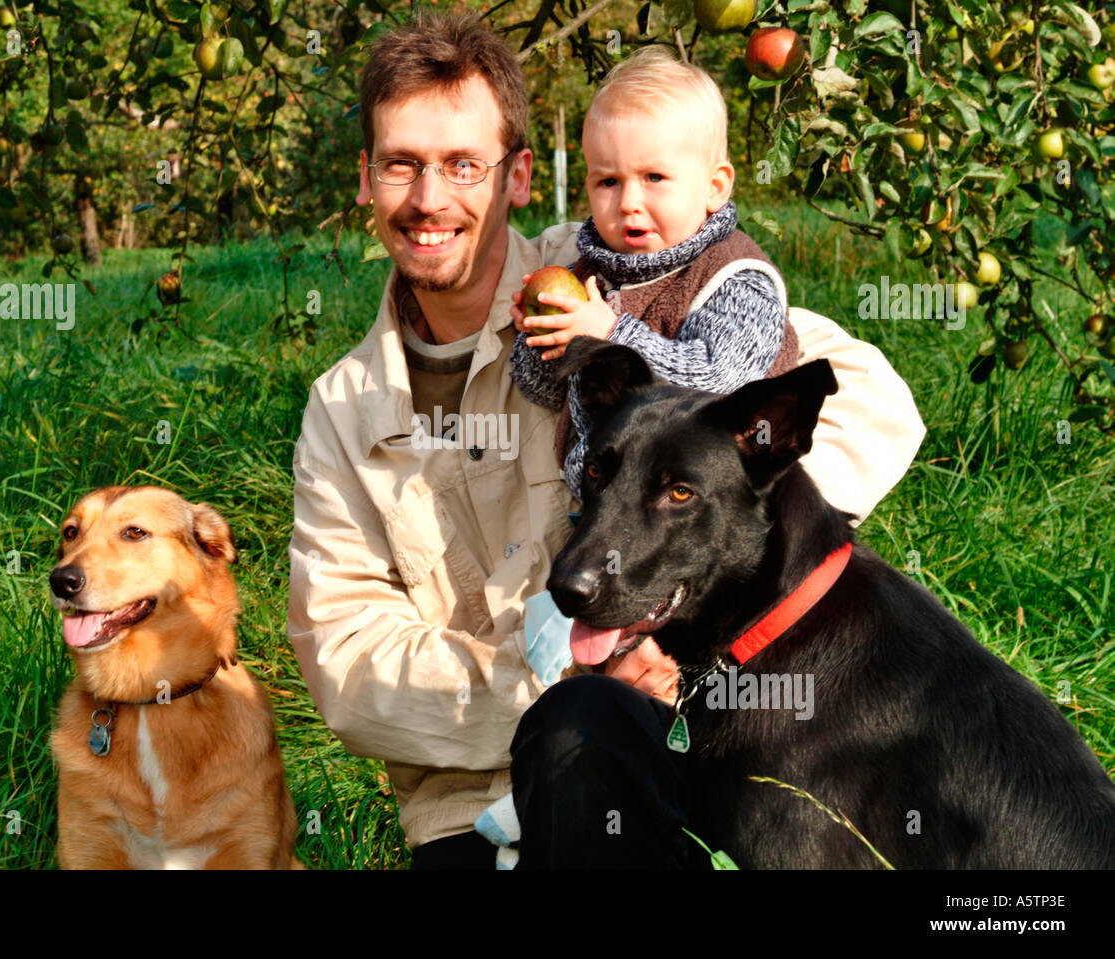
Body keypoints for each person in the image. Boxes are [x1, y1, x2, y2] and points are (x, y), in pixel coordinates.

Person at [287, 10, 926, 869]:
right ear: (366, 180)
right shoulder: (345, 411)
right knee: (569, 723)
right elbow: (348, 661)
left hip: (672, 751)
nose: (431, 200)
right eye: (402, 164)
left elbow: (870, 399)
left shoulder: (621, 283)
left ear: (516, 177)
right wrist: (552, 681)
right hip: (472, 807)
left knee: (585, 739)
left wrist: (696, 576)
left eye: (462, 166)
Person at [509, 47, 795, 502]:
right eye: (608, 181)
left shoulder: (735, 278)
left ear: (714, 186)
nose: (627, 202)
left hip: (706, 511)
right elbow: (543, 394)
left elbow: (718, 386)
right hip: (610, 509)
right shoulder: (588, 277)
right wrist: (543, 340)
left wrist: (610, 336)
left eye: (654, 177)